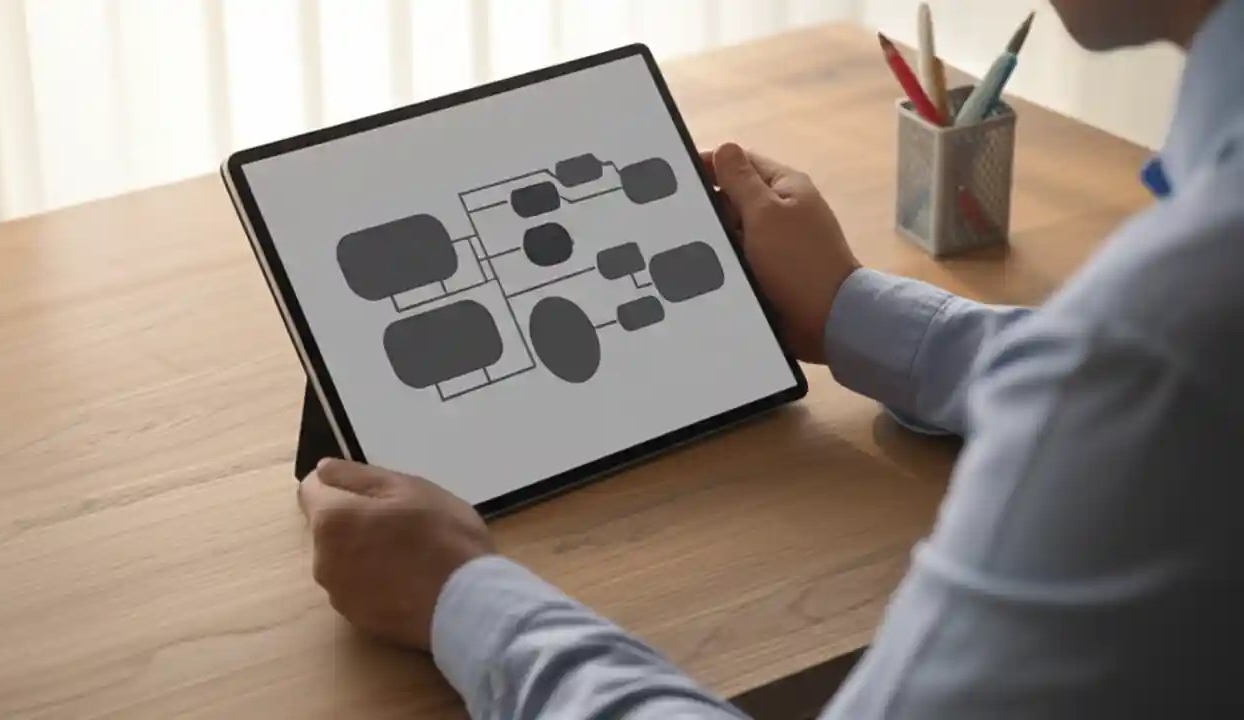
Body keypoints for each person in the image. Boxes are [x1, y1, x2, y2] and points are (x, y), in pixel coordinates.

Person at [298, 0, 1244, 716]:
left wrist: (461, 602)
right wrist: (844, 311)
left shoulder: (1165, 338)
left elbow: (1137, 382)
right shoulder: (1164, 332)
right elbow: (1121, 391)